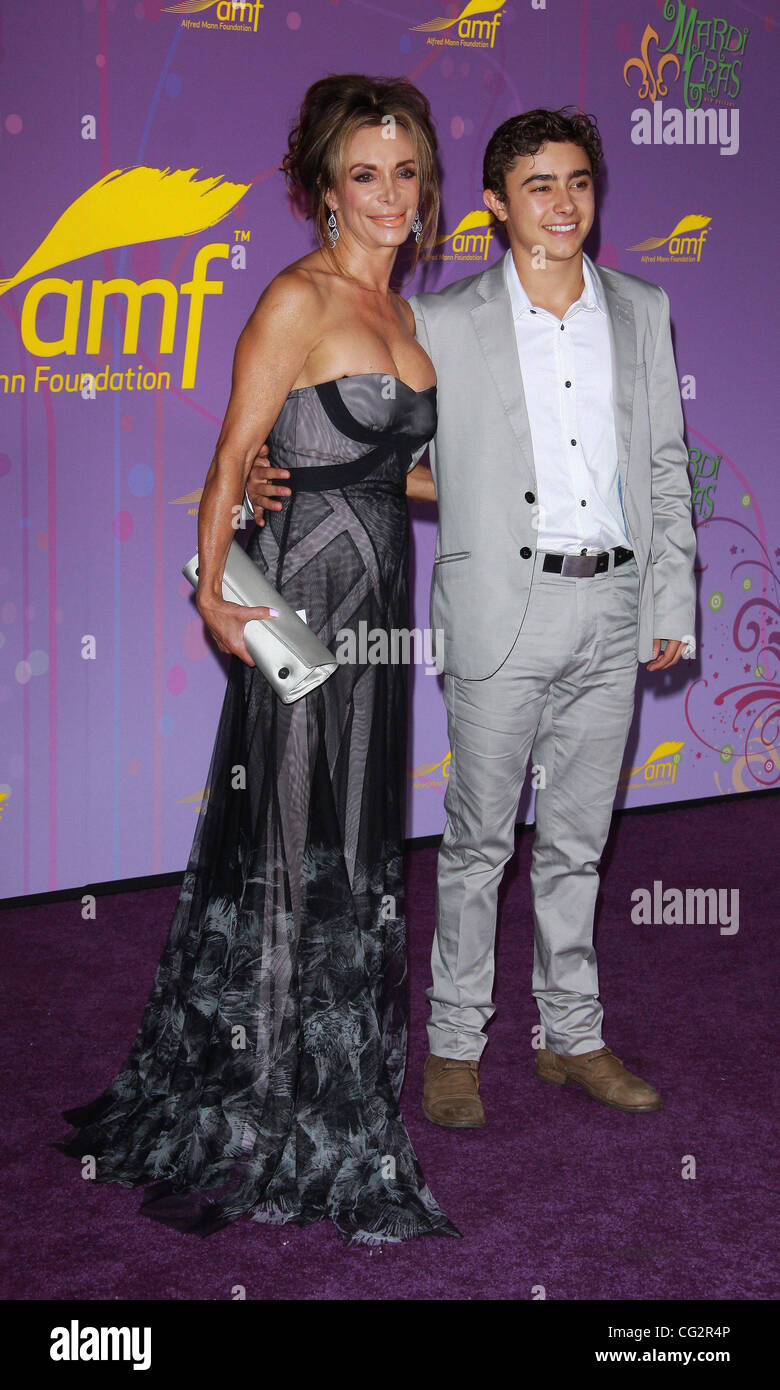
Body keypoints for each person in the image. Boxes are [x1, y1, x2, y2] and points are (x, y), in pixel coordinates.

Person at [55, 74, 459, 1246]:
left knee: (357, 841)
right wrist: (218, 599)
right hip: (300, 604)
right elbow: (233, 460)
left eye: (405, 172)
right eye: (365, 174)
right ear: (326, 191)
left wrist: (513, 498)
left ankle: (338, 1082)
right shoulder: (297, 298)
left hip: (381, 601)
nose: (390, 194)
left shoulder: (410, 319)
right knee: (285, 842)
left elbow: (390, 472)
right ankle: (272, 1100)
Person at [248, 107, 697, 1129]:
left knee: (580, 842)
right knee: (477, 843)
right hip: (501, 606)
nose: (562, 204)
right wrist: (289, 470)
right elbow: (372, 431)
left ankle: (570, 1034)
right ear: (496, 204)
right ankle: (456, 1046)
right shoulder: (441, 321)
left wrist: (673, 596)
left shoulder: (641, 306)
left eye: (578, 182)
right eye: (538, 185)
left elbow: (666, 468)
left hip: (617, 606)